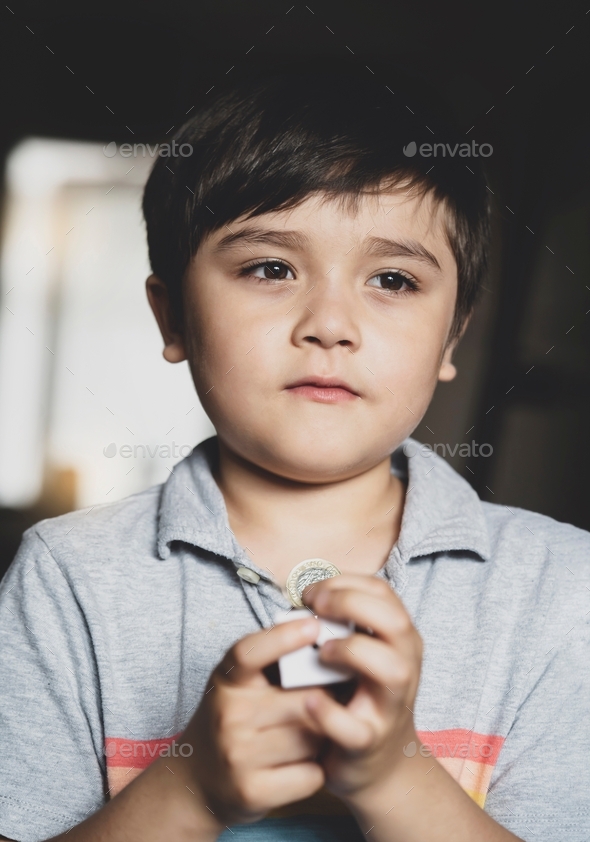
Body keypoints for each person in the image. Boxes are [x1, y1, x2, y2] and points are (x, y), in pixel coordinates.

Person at [0, 65, 588, 842]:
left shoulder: (562, 589)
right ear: (172, 317)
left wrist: (397, 778)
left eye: (392, 279)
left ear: (454, 335)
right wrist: (191, 790)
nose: (330, 324)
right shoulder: (67, 577)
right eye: (270, 268)